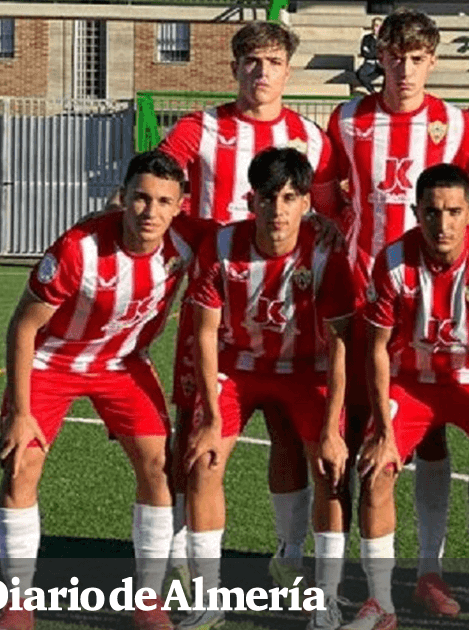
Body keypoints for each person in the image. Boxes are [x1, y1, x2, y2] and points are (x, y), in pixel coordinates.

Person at [157, 19, 339, 600]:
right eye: (252, 61)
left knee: (288, 433)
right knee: (193, 429)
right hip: (216, 295)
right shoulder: (200, 127)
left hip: (288, 303)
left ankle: (288, 555)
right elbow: (159, 183)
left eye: (273, 62)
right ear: (235, 67)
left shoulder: (310, 137)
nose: (262, 72)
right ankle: (182, 555)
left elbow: (329, 211)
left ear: (288, 70)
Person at [0, 151, 209, 630]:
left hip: (122, 364)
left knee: (159, 466)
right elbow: (23, 327)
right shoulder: (79, 248)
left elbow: (250, 238)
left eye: (164, 202)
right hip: (52, 361)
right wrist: (21, 413)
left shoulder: (189, 239)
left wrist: (317, 224)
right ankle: (17, 605)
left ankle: (148, 600)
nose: (150, 211)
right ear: (123, 197)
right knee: (21, 465)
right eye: (141, 198)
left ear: (179, 207)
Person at [325, 8, 469, 619]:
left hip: (429, 304)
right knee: (354, 435)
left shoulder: (455, 124)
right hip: (362, 301)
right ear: (379, 57)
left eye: (417, 59)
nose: (405, 69)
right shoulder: (348, 118)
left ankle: (428, 571)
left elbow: (467, 207)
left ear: (432, 61)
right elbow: (325, 197)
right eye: (394, 57)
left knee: (430, 434)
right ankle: (345, 575)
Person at [179, 148, 358, 630]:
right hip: (240, 367)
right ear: (250, 200)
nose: (277, 210)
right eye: (267, 197)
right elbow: (204, 333)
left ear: (307, 204)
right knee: (203, 460)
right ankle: (207, 598)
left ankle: (325, 597)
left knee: (330, 468)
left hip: (307, 369)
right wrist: (210, 417)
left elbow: (340, 347)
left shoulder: (327, 253)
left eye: (290, 197)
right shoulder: (221, 246)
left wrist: (332, 429)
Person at [347, 164, 469, 630]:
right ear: (416, 213)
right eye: (432, 212)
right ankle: (380, 603)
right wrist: (384, 432)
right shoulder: (393, 260)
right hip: (412, 381)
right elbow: (376, 350)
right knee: (375, 470)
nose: (442, 224)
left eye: (453, 212)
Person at [357, 17, 384, 93]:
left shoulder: (384, 39)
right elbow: (364, 52)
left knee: (390, 74)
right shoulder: (367, 38)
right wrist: (376, 54)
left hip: (381, 64)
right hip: (369, 64)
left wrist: (372, 52)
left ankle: (384, 93)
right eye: (374, 25)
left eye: (378, 26)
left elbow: (384, 53)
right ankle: (372, 91)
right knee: (360, 74)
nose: (375, 28)